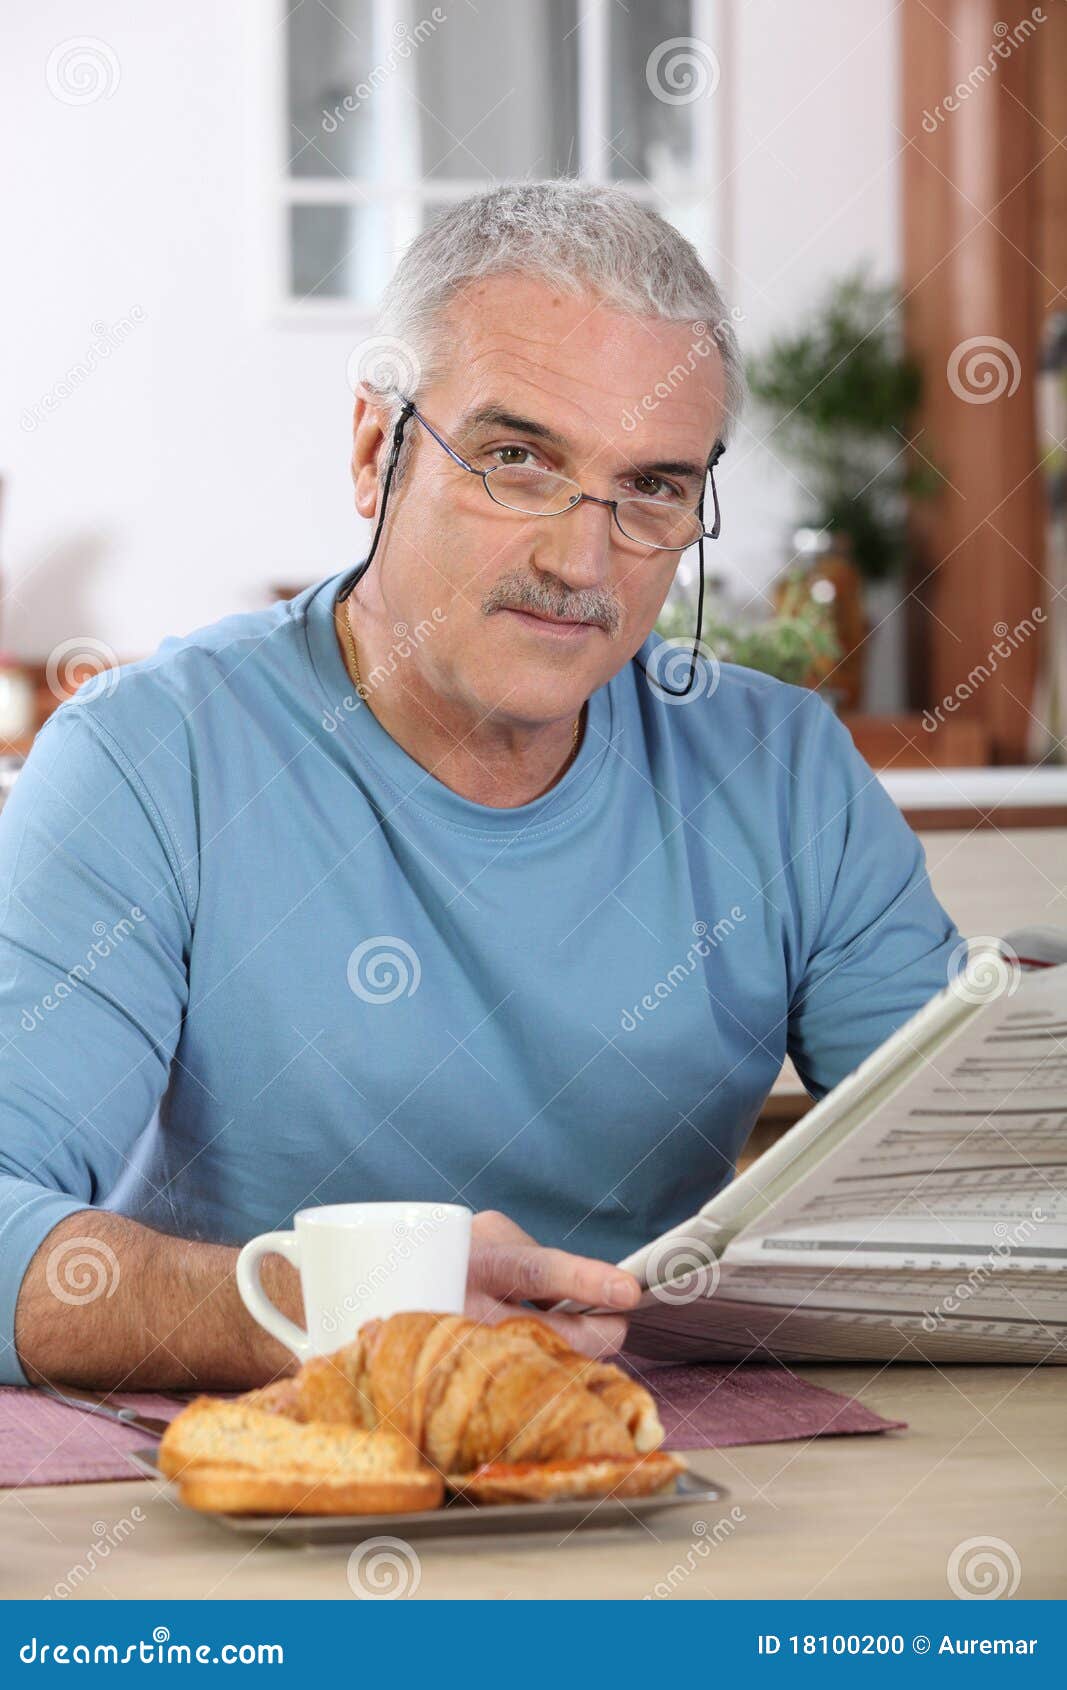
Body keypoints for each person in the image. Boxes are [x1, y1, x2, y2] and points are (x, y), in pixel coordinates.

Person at [0, 182, 957, 1391]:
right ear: (372, 450)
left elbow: (966, 1206)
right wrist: (357, 1304)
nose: (579, 559)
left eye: (651, 489)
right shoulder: (144, 762)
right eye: (516, 460)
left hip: (666, 1476)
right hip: (268, 1480)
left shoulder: (787, 773)